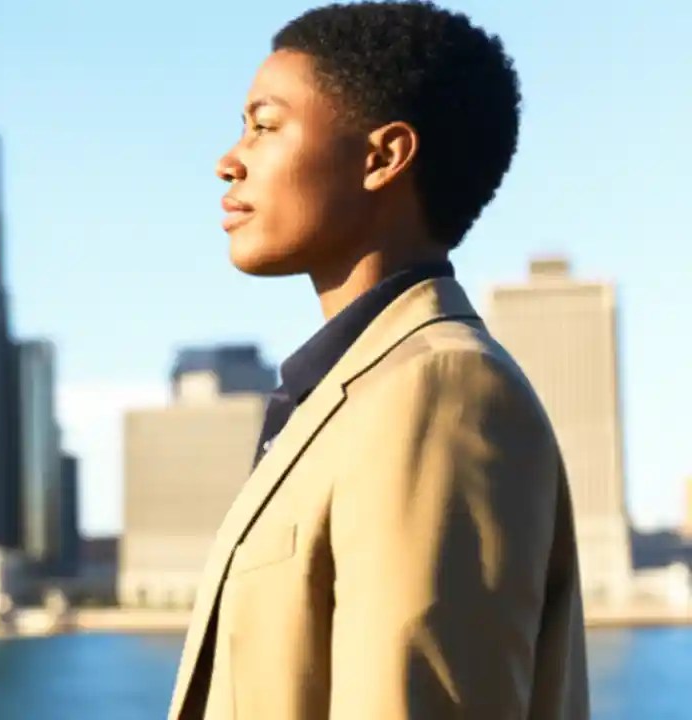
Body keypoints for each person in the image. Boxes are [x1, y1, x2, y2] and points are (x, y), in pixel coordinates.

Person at [168, 2, 589, 718]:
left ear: (383, 157)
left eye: (264, 125)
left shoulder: (440, 388)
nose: (228, 159)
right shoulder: (349, 396)